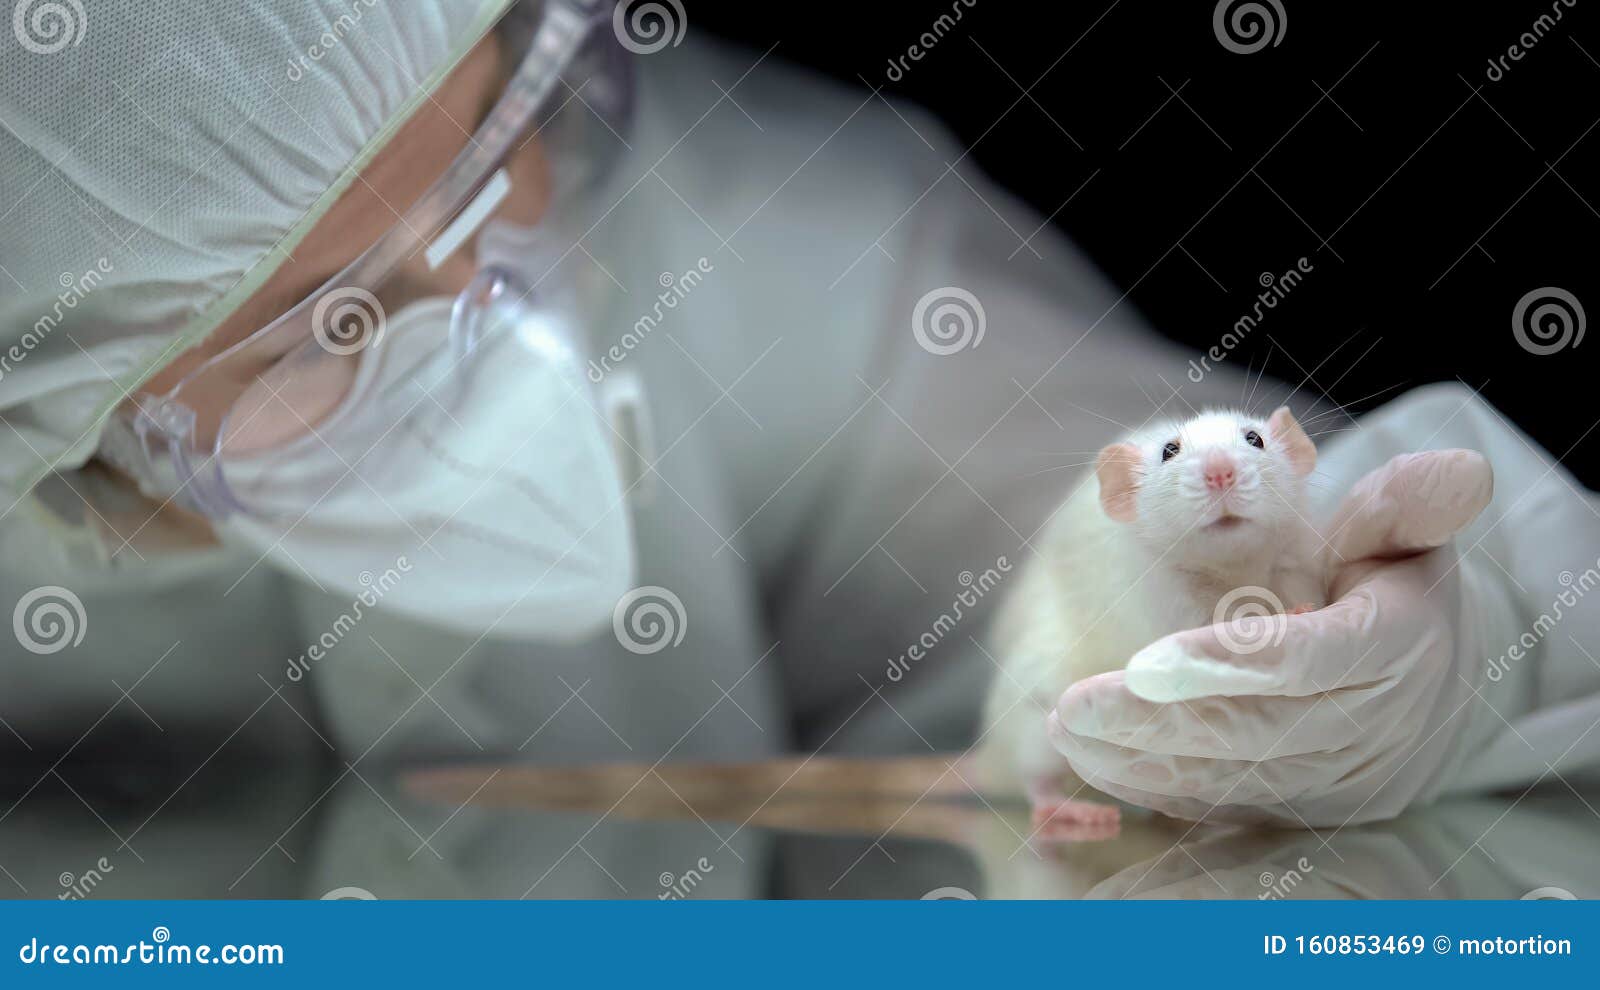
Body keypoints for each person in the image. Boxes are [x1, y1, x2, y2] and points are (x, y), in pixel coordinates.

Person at [1, 0, 1597, 846]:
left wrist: (1428, 636)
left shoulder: (778, 256)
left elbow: (1096, 521)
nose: (497, 310)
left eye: (512, 121)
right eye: (334, 316)